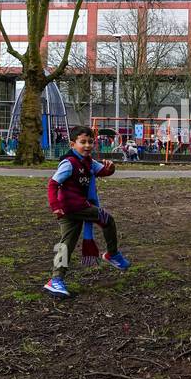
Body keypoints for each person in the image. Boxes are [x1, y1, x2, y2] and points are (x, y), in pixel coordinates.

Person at [44, 126, 131, 297]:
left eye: (90, 142)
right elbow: (53, 184)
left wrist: (111, 168)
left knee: (66, 243)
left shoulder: (89, 161)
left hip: (71, 209)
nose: (87, 145)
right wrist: (55, 206)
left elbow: (103, 171)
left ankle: (55, 280)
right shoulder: (69, 163)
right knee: (107, 220)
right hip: (73, 207)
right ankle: (112, 254)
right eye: (82, 142)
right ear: (72, 144)